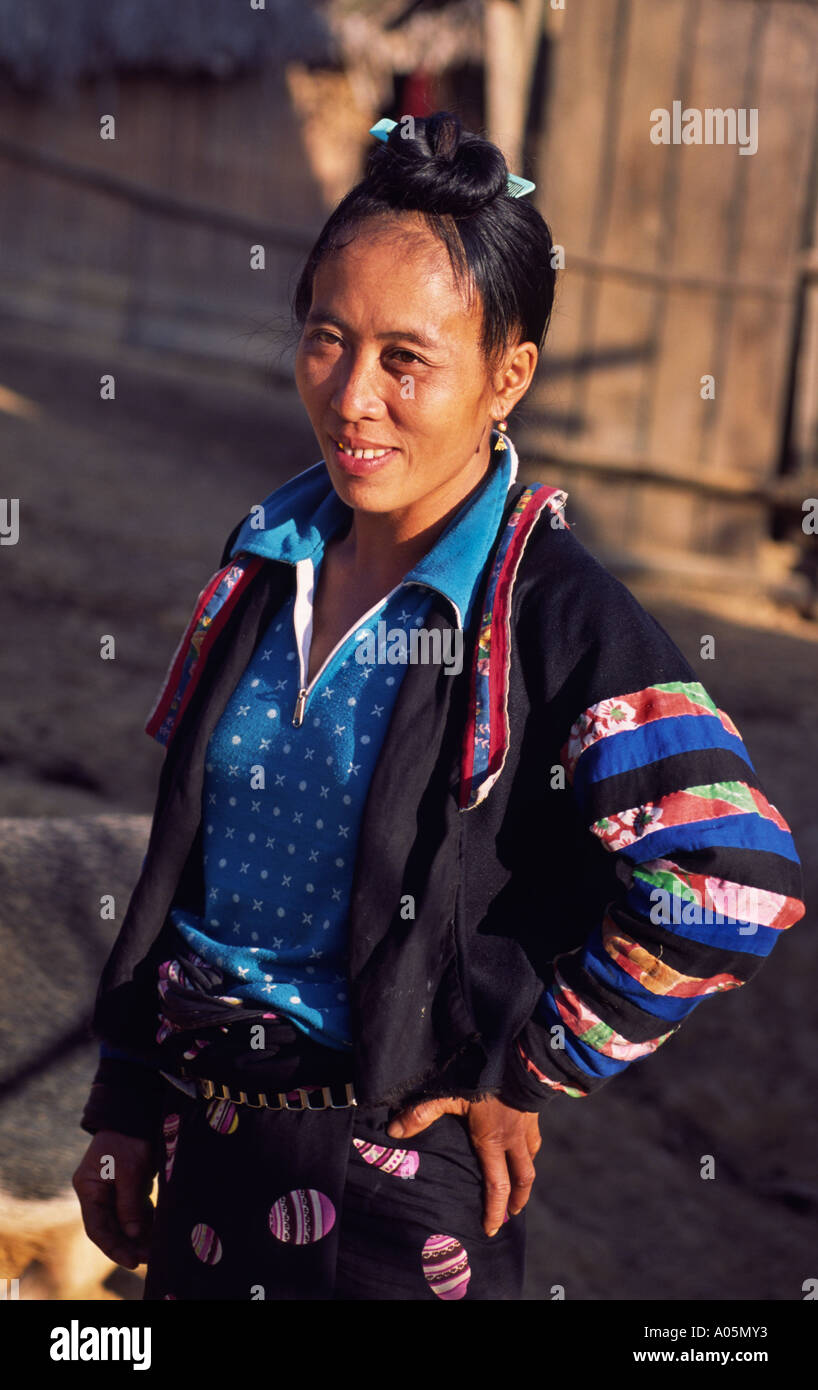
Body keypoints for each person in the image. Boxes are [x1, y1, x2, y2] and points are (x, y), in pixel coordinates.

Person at [73, 111, 805, 1302]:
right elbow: (192, 857)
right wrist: (126, 1095)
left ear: (507, 374)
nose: (352, 398)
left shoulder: (554, 614)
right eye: (326, 339)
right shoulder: (268, 558)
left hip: (393, 1190)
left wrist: (528, 1068)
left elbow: (731, 878)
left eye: (405, 359)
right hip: (199, 1155)